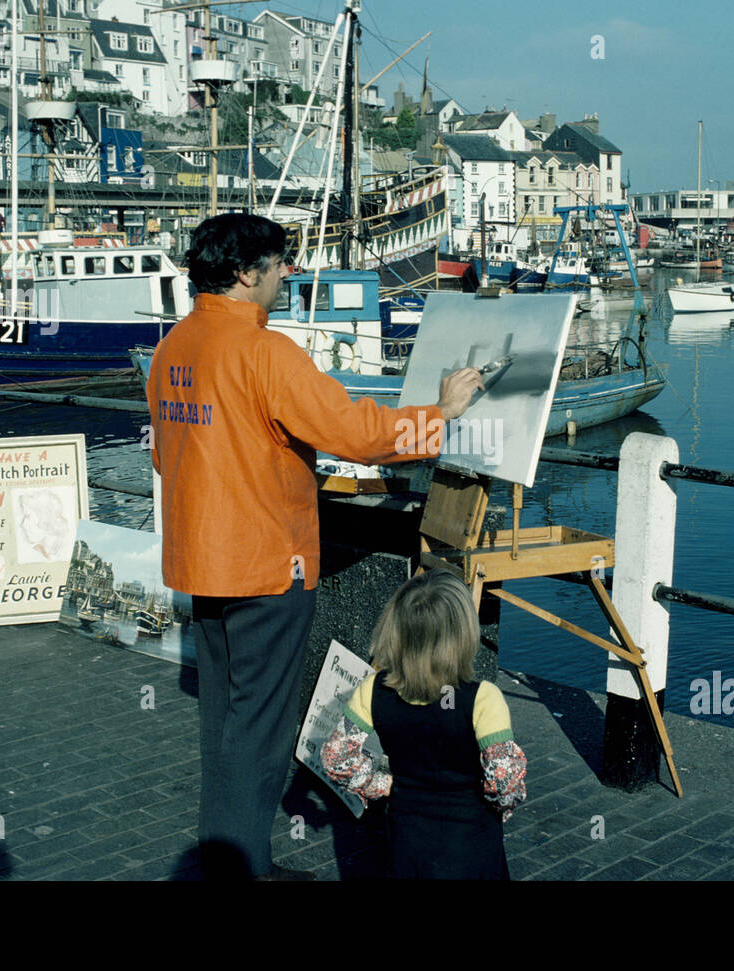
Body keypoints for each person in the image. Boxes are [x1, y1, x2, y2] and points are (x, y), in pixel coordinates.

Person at [146, 212, 482, 880]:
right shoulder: (265, 352)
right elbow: (355, 432)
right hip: (268, 565)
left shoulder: (173, 347)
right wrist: (437, 417)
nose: (288, 273)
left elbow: (164, 457)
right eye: (279, 263)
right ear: (247, 272)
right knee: (263, 737)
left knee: (223, 724)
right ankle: (241, 871)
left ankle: (224, 862)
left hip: (202, 563)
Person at [321, 570, 527, 879]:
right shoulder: (483, 699)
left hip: (407, 842)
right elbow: (504, 781)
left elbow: (337, 758)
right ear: (462, 635)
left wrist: (381, 784)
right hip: (472, 846)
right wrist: (501, 805)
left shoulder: (373, 690)